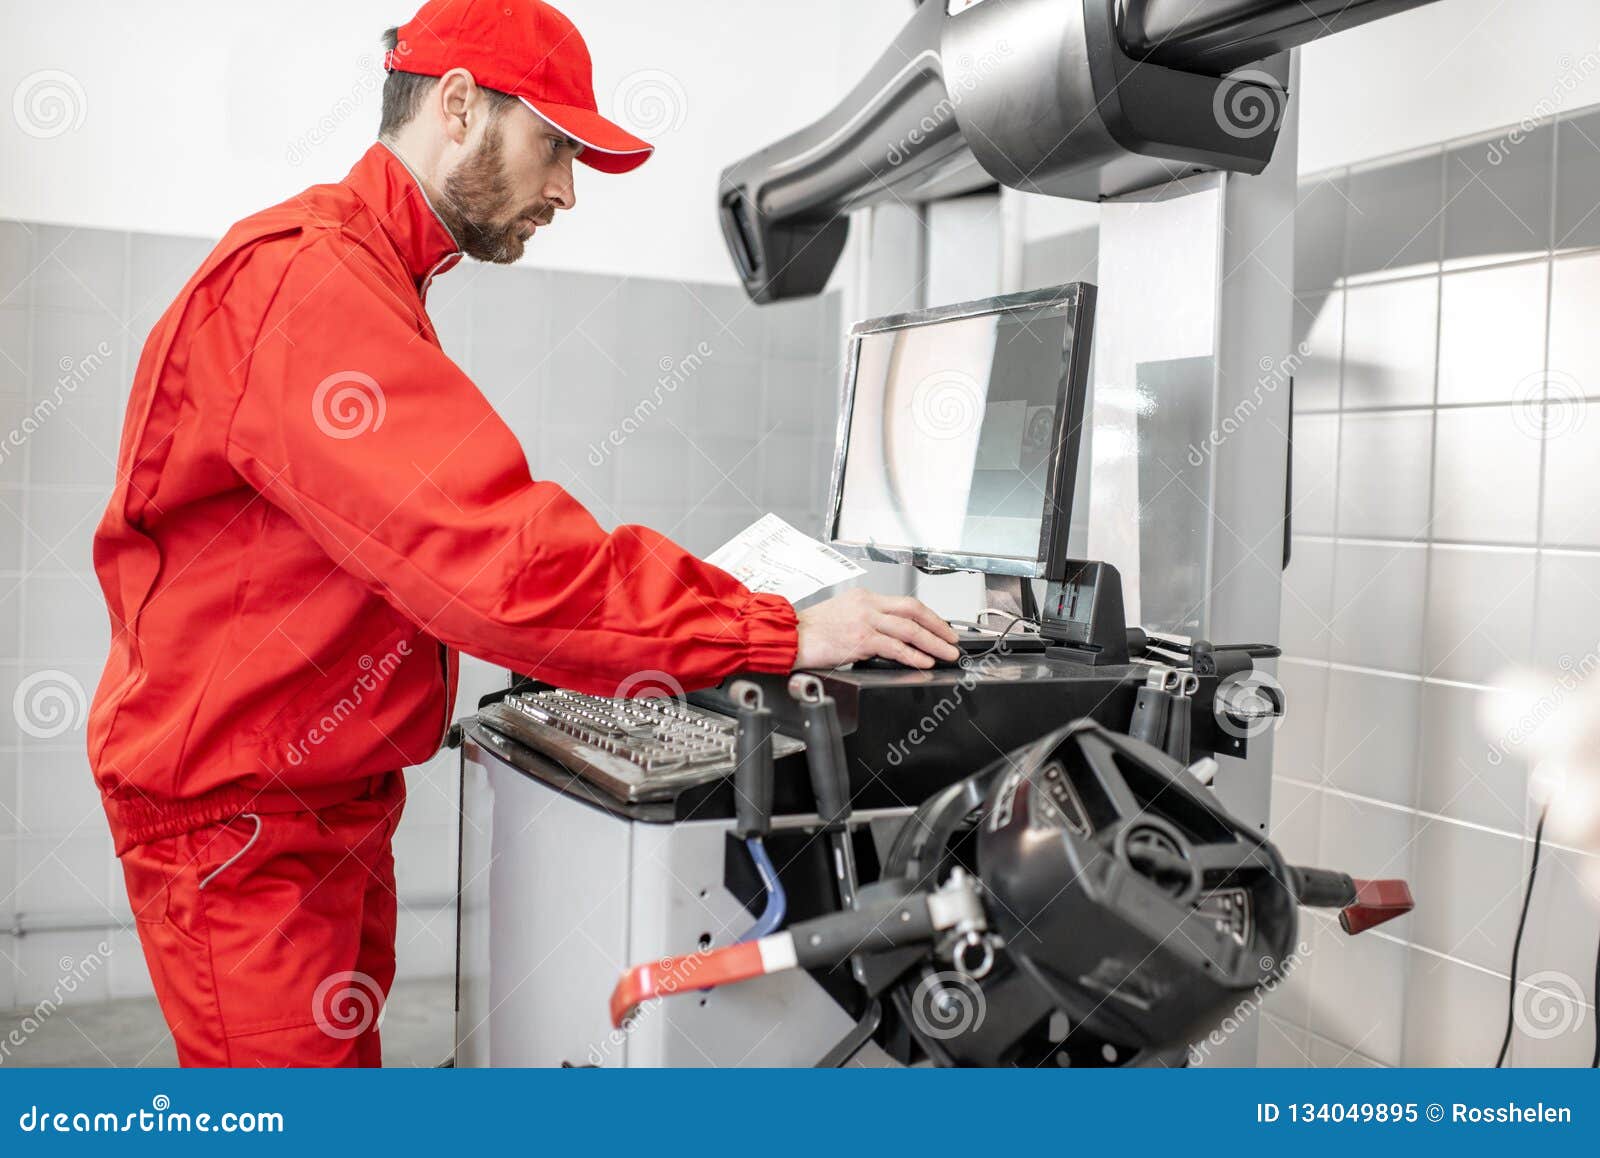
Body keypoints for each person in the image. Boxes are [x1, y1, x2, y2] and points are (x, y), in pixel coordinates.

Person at [88, 0, 957, 1067]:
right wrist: (774, 632)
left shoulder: (367, 274)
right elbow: (497, 564)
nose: (565, 191)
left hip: (318, 806)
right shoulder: (306, 281)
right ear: (456, 105)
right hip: (245, 826)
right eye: (555, 145)